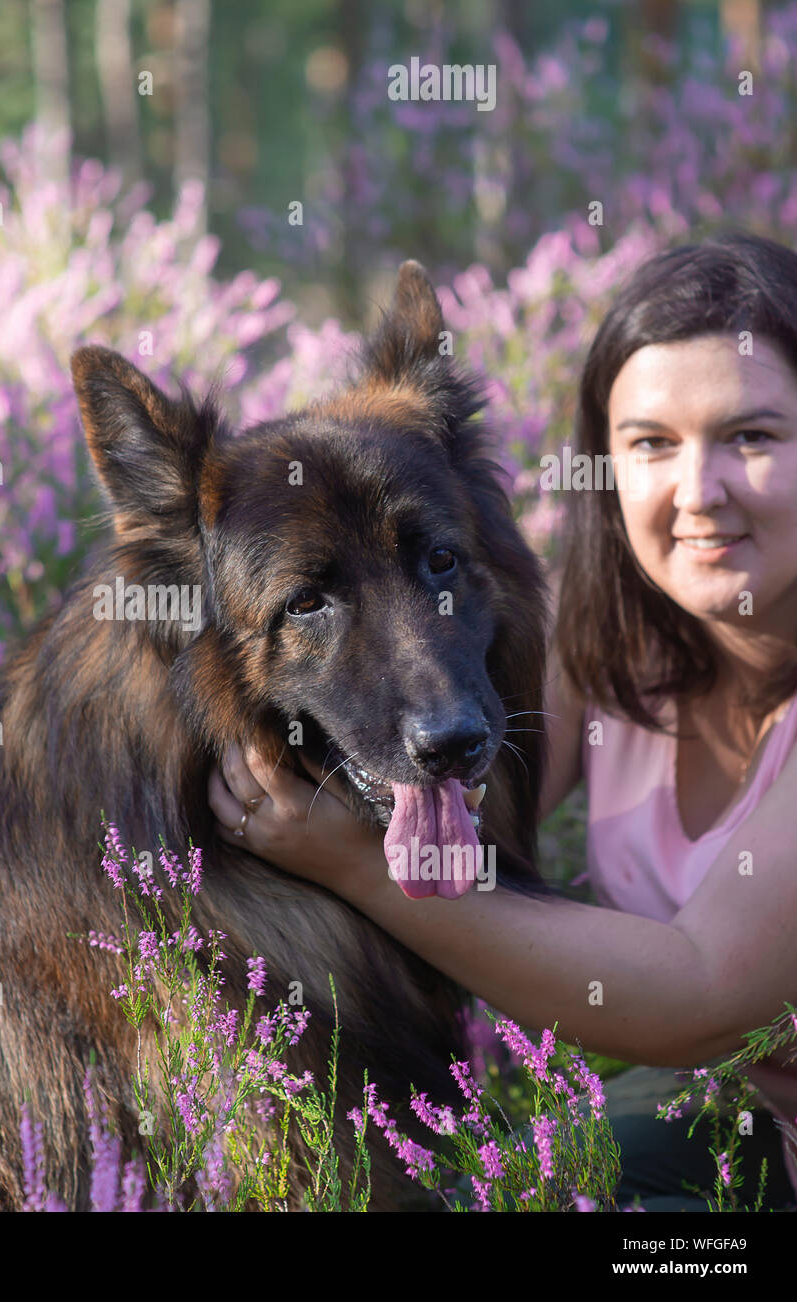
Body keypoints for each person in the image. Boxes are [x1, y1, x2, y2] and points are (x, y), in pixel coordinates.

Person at [208, 232, 797, 1211]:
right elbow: (421, 728)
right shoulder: (606, 641)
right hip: (729, 1109)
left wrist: (355, 864)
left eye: (751, 437)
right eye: (651, 443)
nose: (697, 492)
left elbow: (702, 999)